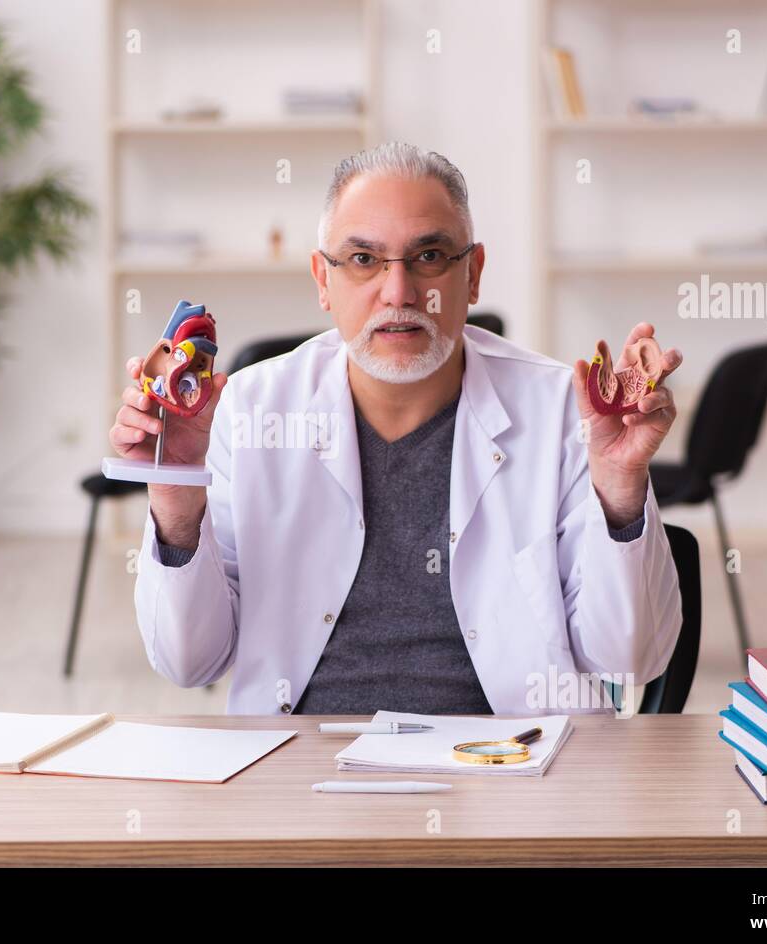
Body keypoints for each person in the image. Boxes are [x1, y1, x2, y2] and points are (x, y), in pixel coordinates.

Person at [109, 142, 684, 716]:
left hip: (514, 770)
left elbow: (627, 663)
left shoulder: (565, 408)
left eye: (429, 255)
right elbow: (190, 664)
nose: (399, 292)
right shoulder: (251, 409)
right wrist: (177, 490)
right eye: (363, 260)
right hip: (299, 770)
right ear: (322, 280)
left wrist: (621, 488)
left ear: (474, 273)